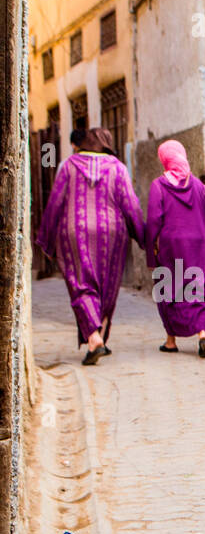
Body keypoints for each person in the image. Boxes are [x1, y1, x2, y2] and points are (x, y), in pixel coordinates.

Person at [34, 127, 143, 365]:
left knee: (81, 284)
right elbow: (130, 204)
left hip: (75, 231)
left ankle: (95, 339)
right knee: (107, 287)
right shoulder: (117, 167)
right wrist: (141, 234)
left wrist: (47, 238)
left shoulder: (69, 165)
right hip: (112, 234)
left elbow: (55, 201)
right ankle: (99, 338)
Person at [145, 140, 205, 357]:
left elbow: (153, 219)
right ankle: (203, 334)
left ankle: (170, 340)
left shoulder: (158, 185)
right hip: (199, 243)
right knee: (198, 286)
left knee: (169, 287)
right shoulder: (198, 185)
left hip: (171, 245)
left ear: (164, 159)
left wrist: (152, 248)